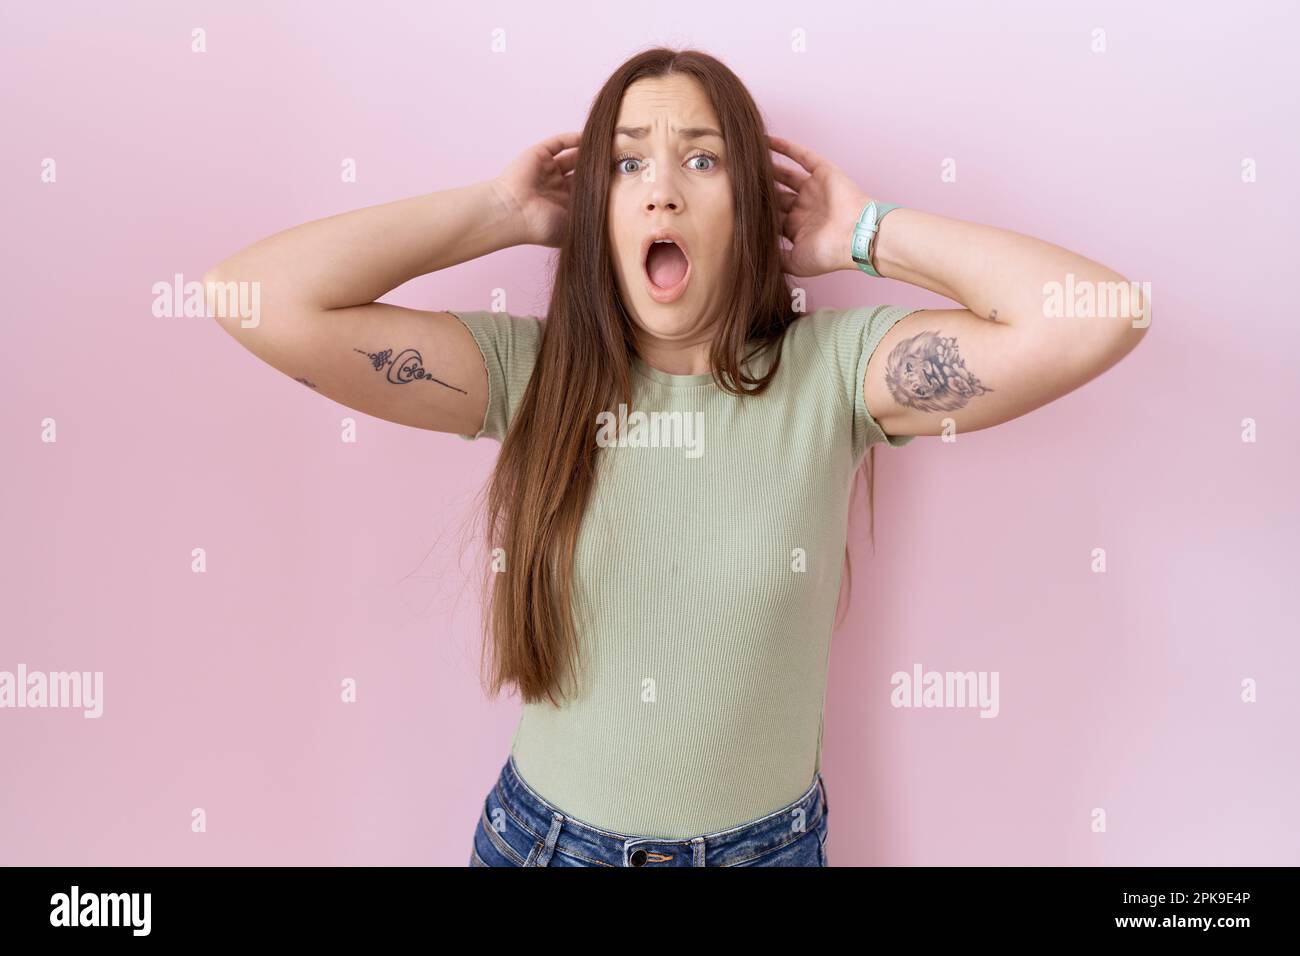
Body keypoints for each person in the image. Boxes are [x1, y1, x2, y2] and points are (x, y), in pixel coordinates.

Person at [203, 47, 1150, 867]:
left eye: (702, 159)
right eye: (624, 166)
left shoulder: (835, 374)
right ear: (596, 215)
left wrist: (860, 234)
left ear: (752, 206)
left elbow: (1101, 317)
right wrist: (498, 209)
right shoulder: (525, 375)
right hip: (545, 846)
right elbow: (254, 296)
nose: (660, 187)